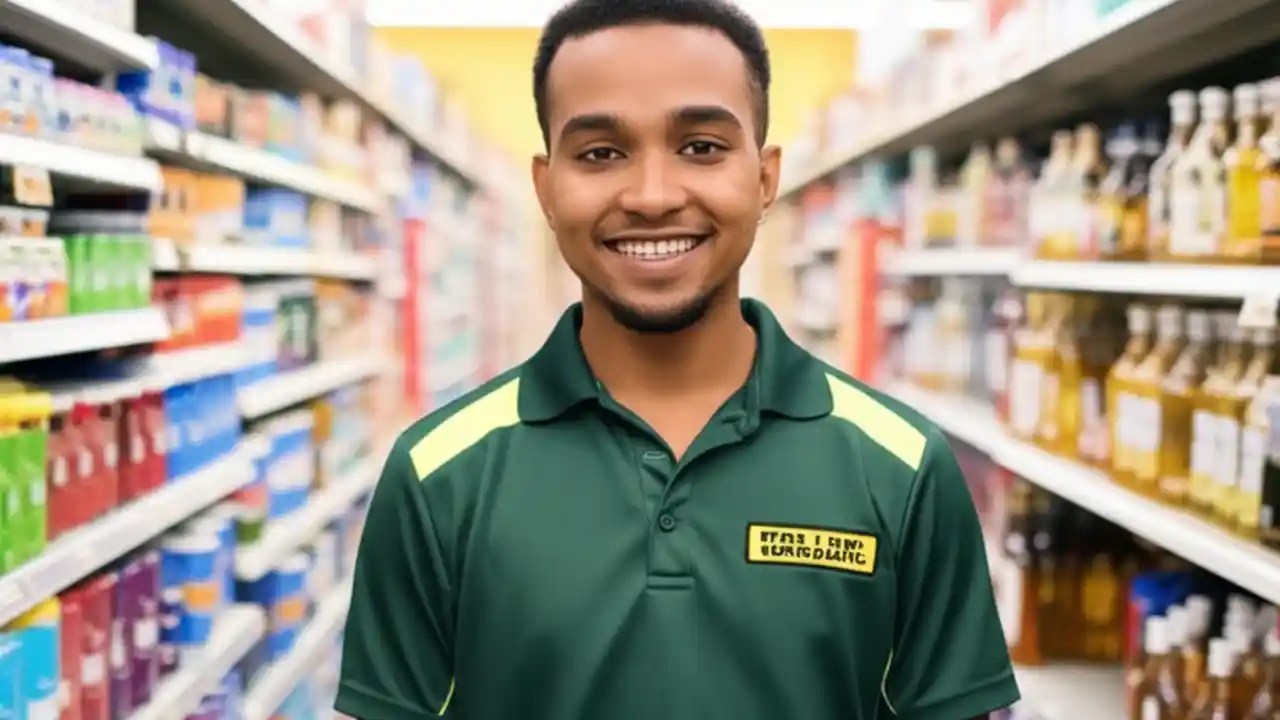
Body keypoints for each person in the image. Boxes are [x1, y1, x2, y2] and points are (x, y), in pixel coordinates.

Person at [335, 0, 1021, 717]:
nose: (652, 197)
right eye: (601, 154)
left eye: (700, 146)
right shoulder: (437, 479)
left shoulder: (902, 470)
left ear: (765, 178)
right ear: (546, 188)